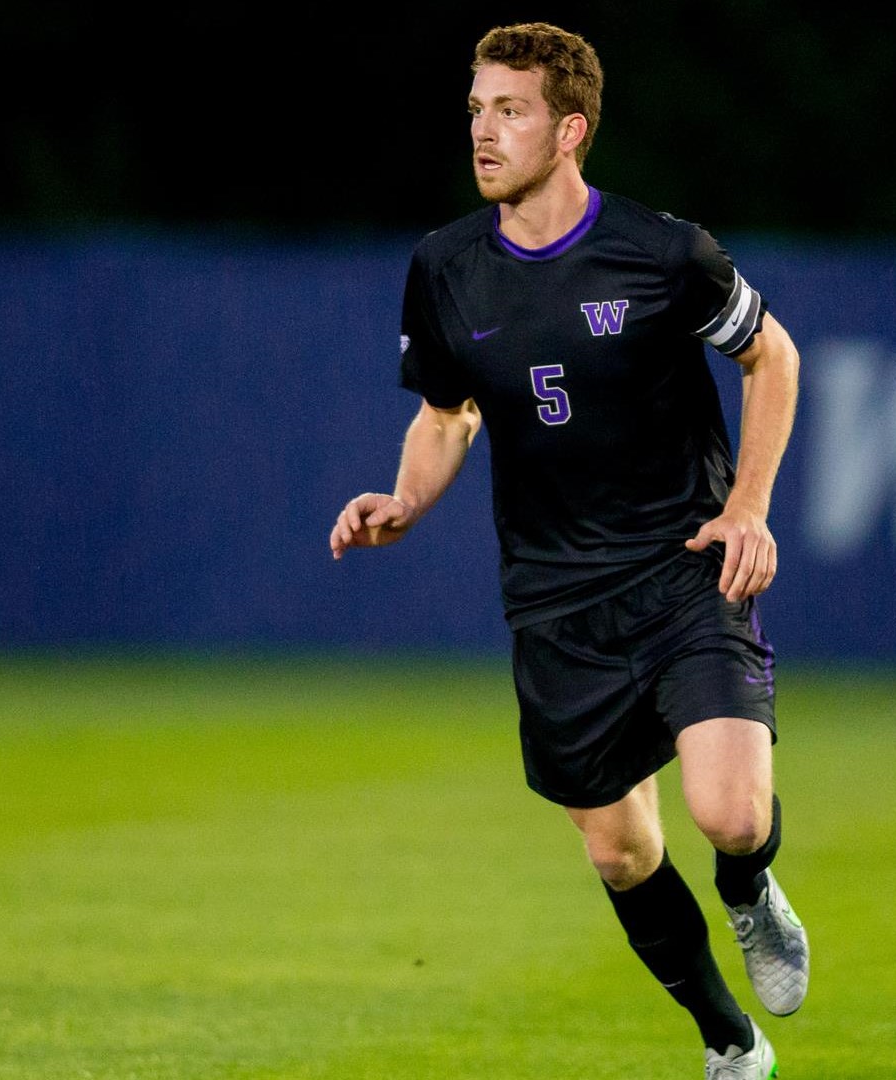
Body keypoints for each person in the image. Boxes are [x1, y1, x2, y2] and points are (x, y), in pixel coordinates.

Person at [328, 21, 808, 1080]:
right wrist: (405, 500)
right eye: (475, 109)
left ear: (571, 130)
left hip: (684, 566)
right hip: (554, 602)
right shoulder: (445, 266)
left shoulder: (665, 252)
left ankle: (749, 891)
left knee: (731, 813)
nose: (484, 131)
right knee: (622, 850)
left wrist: (751, 507)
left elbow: (771, 356)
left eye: (510, 110)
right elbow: (449, 412)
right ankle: (730, 1041)